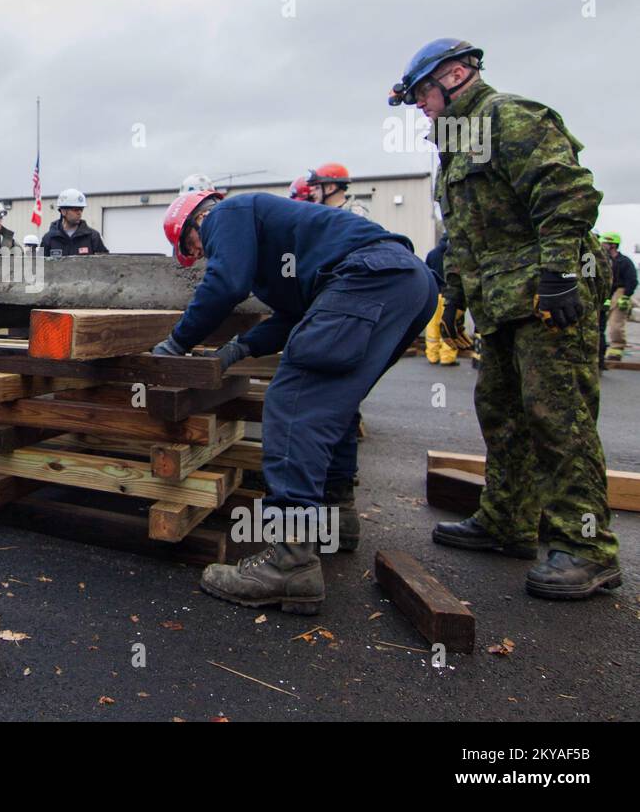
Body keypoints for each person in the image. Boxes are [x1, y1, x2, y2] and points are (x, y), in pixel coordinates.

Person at [389, 38, 621, 599]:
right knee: (501, 412)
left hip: (545, 296)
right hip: (500, 302)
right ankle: (508, 522)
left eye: (424, 91)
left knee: (557, 419)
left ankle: (587, 550)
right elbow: (465, 237)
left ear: (457, 74)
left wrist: (560, 273)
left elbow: (566, 193)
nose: (421, 103)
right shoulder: (454, 144)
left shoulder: (507, 116)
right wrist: (457, 302)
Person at [153, 181, 434, 614]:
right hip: (406, 282)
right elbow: (293, 316)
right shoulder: (278, 247)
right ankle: (336, 517)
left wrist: (176, 343)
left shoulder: (226, 215)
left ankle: (289, 562)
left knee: (293, 402)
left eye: (194, 247)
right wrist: (238, 349)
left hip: (368, 278)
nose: (204, 254)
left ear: (195, 222)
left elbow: (226, 283)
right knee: (333, 401)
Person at [39, 188, 108, 256]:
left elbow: (105, 263)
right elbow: (39, 265)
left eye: (81, 209)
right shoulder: (48, 238)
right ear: (63, 211)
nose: (79, 213)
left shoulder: (93, 237)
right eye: (76, 209)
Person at [600, 232, 636, 361]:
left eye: (604, 243)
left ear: (613, 245)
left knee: (616, 324)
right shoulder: (602, 261)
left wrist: (626, 296)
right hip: (606, 293)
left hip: (619, 293)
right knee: (600, 325)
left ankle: (616, 349)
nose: (601, 245)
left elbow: (632, 280)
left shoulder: (624, 262)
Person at [423, 232, 457, 366]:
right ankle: (447, 357)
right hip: (449, 295)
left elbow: (426, 272)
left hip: (434, 294)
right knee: (448, 325)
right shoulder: (454, 255)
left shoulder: (432, 254)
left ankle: (432, 355)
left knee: (432, 326)